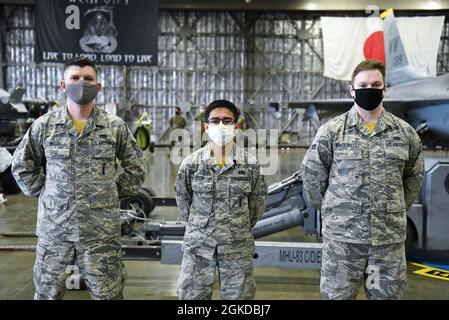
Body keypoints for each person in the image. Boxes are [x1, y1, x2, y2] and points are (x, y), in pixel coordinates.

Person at [11, 56, 146, 300]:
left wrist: (110, 194)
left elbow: (136, 168)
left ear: (98, 87)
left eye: (88, 79)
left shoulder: (114, 127)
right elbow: (22, 165)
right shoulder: (45, 126)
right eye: (74, 78)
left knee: (109, 295)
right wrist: (46, 192)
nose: (81, 83)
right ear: (63, 85)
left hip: (100, 232)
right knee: (47, 294)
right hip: (55, 232)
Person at [302, 59, 425, 300]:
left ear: (385, 88)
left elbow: (414, 176)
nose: (369, 89)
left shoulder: (404, 133)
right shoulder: (332, 131)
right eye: (363, 84)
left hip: (386, 246)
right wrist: (334, 211)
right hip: (343, 244)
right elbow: (313, 176)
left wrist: (393, 209)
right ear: (352, 89)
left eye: (375, 84)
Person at [175, 99, 267, 299]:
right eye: (215, 121)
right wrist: (201, 227)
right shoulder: (191, 164)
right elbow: (184, 202)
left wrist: (236, 227)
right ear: (206, 127)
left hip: (237, 248)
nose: (221, 126)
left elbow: (257, 206)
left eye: (227, 121)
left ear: (236, 127)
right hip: (198, 247)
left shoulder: (251, 165)